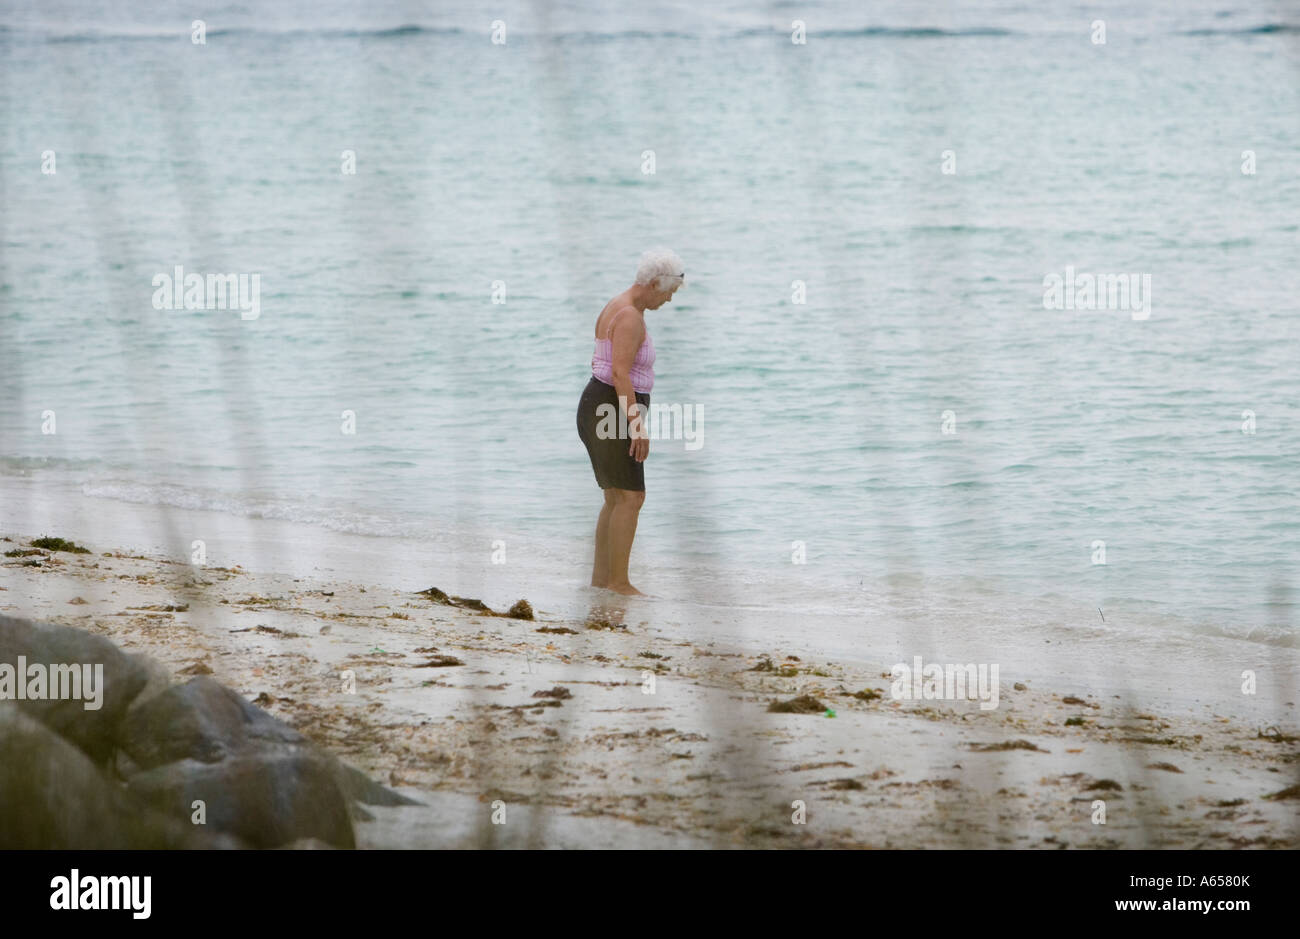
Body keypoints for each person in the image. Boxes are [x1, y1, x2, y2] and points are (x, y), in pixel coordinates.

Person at [575, 248, 685, 595]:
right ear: (654, 284)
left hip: (601, 405)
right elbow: (620, 374)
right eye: (668, 292)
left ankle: (602, 581)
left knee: (616, 498)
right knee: (631, 498)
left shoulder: (618, 305)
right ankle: (618, 582)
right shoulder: (630, 317)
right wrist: (637, 426)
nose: (669, 300)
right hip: (611, 408)